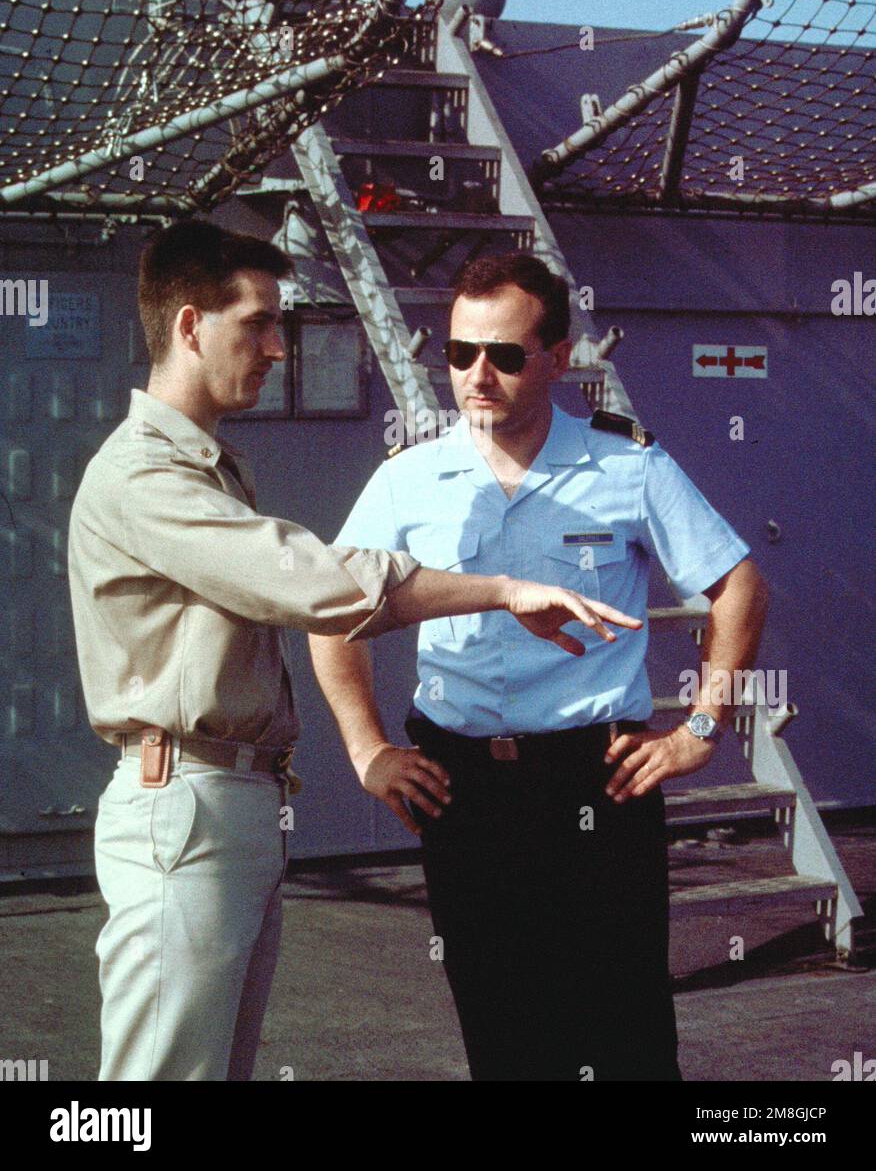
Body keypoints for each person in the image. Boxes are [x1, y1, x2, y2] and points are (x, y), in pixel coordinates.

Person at [67, 223, 638, 1083]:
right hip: (185, 803)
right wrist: (502, 589)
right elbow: (318, 585)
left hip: (228, 799)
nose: (275, 347)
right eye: (258, 323)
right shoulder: (144, 477)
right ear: (189, 326)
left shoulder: (208, 465)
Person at [309, 252, 769, 1082]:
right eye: (460, 353)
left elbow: (738, 585)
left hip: (597, 780)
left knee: (627, 1039)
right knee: (503, 1037)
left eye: (505, 355)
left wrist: (702, 726)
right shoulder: (410, 479)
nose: (477, 376)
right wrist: (366, 749)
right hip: (463, 791)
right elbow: (331, 609)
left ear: (557, 357)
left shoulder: (625, 466)